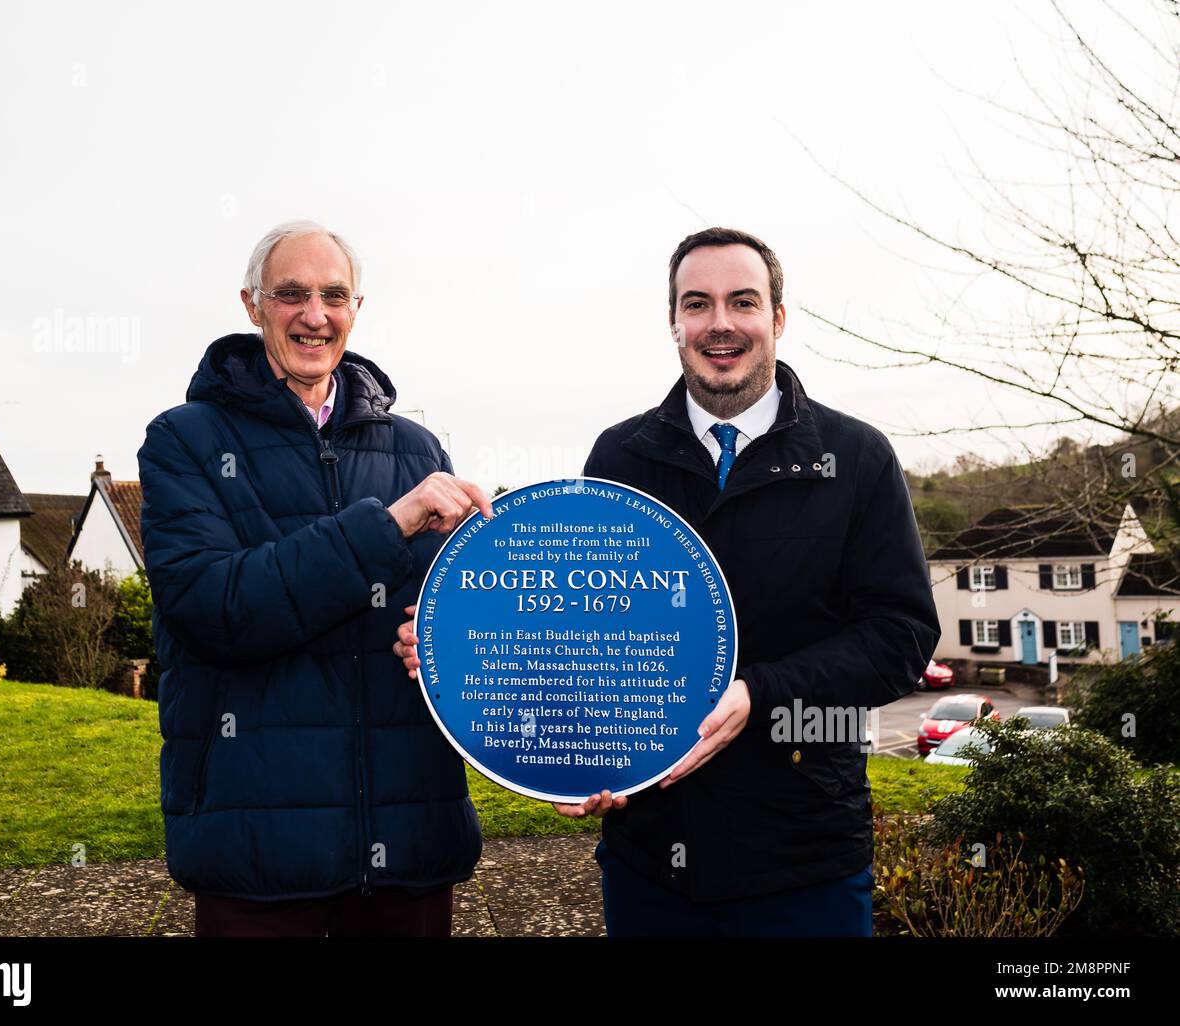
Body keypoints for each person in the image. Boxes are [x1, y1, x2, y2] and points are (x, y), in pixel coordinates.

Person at [395, 227, 939, 936]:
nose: (720, 323)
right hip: (651, 864)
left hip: (806, 860)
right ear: (674, 323)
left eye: (743, 301)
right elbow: (577, 634)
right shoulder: (621, 454)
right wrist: (463, 650)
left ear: (777, 317)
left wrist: (760, 692)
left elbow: (901, 638)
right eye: (697, 303)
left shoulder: (855, 457)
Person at [139, 219, 491, 937]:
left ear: (356, 308)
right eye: (291, 294)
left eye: (334, 295)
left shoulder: (416, 449)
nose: (315, 314)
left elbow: (448, 613)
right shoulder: (185, 440)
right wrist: (389, 523)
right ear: (252, 305)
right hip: (258, 854)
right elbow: (214, 608)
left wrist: (440, 641)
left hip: (410, 844)